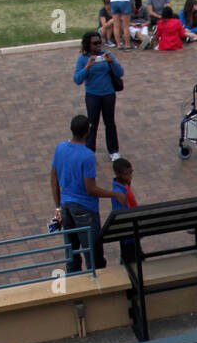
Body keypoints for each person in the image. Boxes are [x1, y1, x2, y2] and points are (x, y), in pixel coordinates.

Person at [50, 113, 126, 274]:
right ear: (87, 132)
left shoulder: (60, 148)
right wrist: (115, 194)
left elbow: (54, 178)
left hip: (66, 208)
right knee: (94, 256)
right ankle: (97, 288)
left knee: (72, 256)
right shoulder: (87, 156)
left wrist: (58, 207)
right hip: (85, 210)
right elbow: (90, 188)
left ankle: (75, 291)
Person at [73, 30, 124, 159]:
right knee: (92, 124)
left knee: (110, 123)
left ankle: (113, 151)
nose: (98, 45)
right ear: (88, 45)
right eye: (95, 43)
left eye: (99, 42)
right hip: (92, 95)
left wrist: (112, 61)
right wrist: (87, 66)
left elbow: (120, 72)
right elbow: (77, 79)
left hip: (108, 94)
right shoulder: (83, 59)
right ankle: (90, 151)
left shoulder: (108, 55)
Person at [110, 157, 138, 263]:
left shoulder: (124, 184)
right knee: (129, 257)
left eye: (131, 172)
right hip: (128, 232)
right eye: (127, 173)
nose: (130, 176)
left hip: (131, 231)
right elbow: (121, 213)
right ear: (118, 174)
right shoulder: (118, 192)